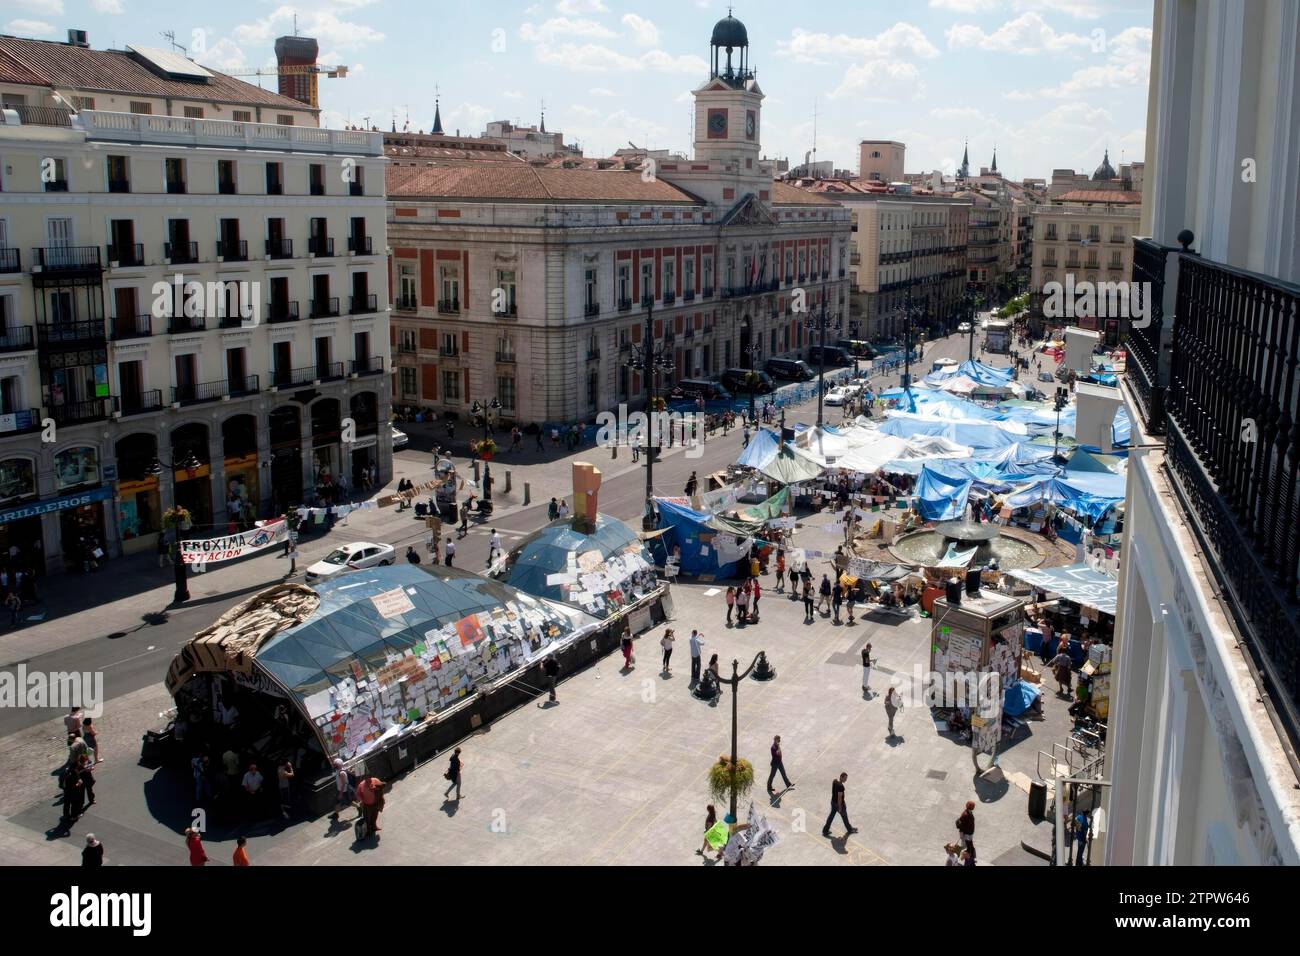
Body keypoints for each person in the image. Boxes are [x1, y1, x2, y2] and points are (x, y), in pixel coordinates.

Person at [822, 772, 857, 837]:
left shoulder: (834, 781)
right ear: (841, 777)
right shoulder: (841, 787)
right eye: (845, 778)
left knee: (831, 816)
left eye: (846, 778)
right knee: (844, 816)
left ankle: (825, 830)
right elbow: (839, 798)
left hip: (833, 802)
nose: (845, 780)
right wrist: (840, 807)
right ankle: (850, 829)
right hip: (839, 804)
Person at [330, 757, 352, 822]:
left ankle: (359, 808)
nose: (334, 766)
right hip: (339, 790)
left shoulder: (342, 773)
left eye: (335, 764)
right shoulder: (338, 770)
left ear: (339, 765)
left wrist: (341, 794)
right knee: (337, 802)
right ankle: (336, 814)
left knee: (349, 803)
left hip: (343, 791)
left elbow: (343, 784)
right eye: (334, 764)